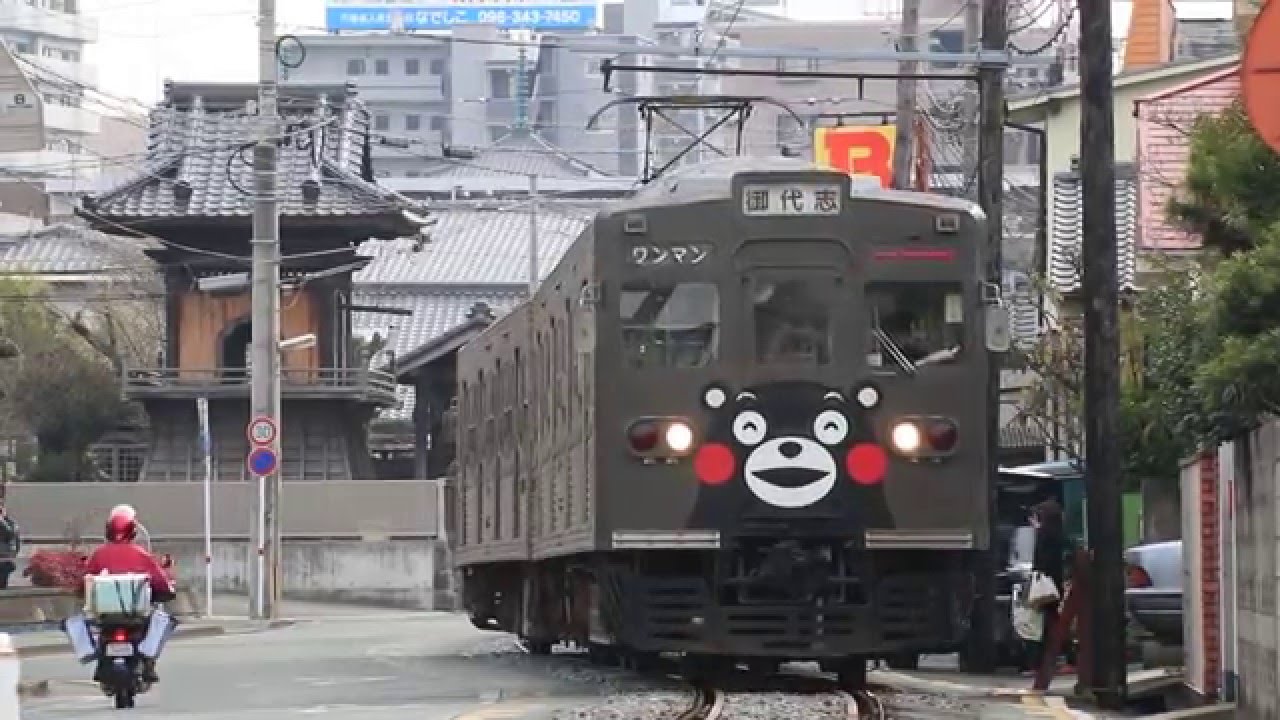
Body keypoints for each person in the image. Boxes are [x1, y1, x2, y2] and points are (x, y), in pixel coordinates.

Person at [80, 506, 175, 683]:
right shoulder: (140, 554)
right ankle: (148, 663)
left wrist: (80, 590)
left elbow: (84, 580)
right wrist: (167, 590)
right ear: (133, 530)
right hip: (135, 615)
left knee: (85, 625)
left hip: (105, 616)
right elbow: (159, 579)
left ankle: (101, 662)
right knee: (160, 621)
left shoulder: (99, 554)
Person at [1027, 498, 1066, 673]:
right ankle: (1053, 659)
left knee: (1040, 624)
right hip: (1055, 583)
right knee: (1052, 621)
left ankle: (1041, 662)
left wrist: (1037, 530)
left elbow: (1040, 559)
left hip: (1044, 584)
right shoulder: (1059, 533)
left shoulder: (1044, 534)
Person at [0, 502, 19, 590]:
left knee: (2, 585)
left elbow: (12, 535)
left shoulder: (10, 523)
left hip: (4, 559)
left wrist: (2, 521)